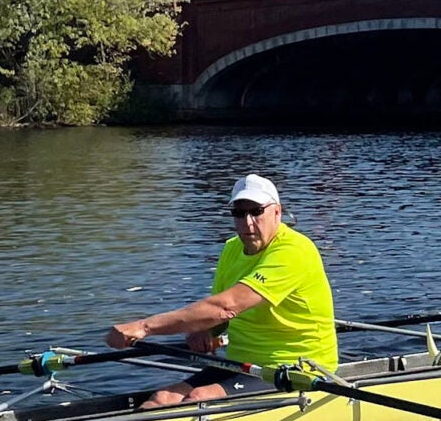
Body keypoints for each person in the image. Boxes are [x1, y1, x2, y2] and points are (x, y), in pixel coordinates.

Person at [104, 174, 341, 408]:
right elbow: (218, 316)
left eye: (256, 211)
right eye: (239, 213)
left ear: (277, 212)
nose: (248, 222)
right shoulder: (232, 249)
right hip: (243, 364)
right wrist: (206, 331)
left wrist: (144, 327)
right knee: (162, 398)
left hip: (298, 368)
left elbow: (226, 307)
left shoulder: (294, 251)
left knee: (200, 398)